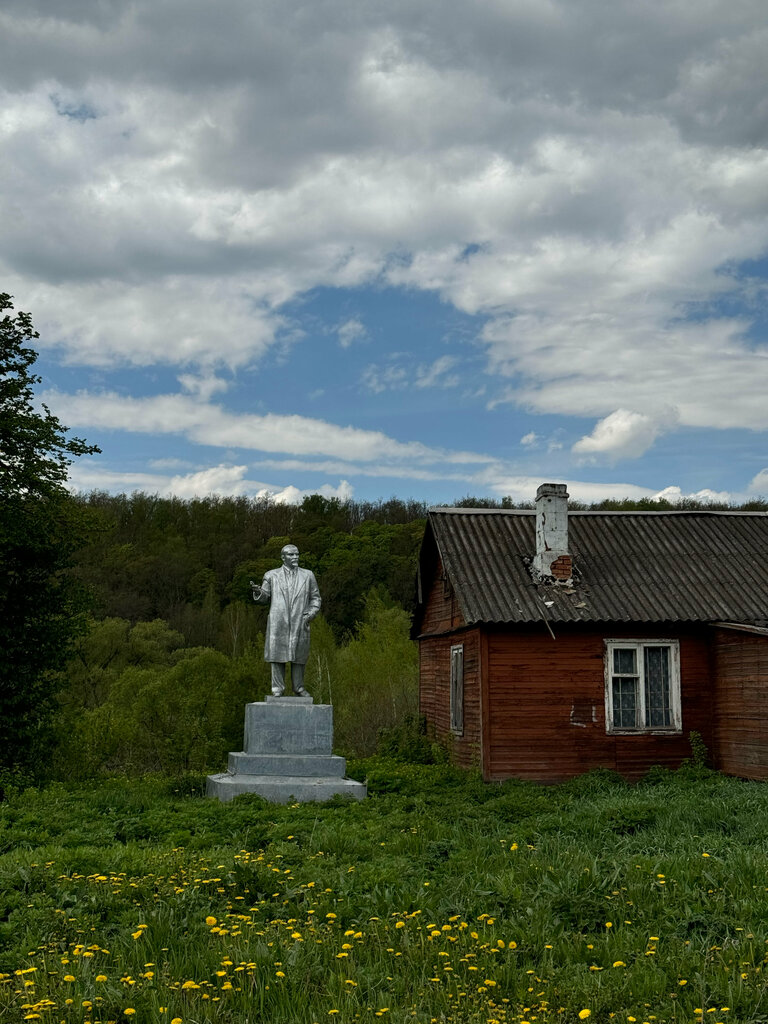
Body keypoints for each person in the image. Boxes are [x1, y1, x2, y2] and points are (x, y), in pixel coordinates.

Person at [250, 544, 321, 697]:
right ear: (283, 557)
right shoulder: (271, 575)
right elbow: (264, 597)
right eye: (291, 555)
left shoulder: (308, 575)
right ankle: (277, 689)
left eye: (297, 554)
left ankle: (299, 687)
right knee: (277, 656)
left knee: (299, 656)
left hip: (299, 621)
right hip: (279, 621)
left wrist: (309, 614)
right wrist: (258, 592)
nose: (295, 557)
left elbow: (315, 599)